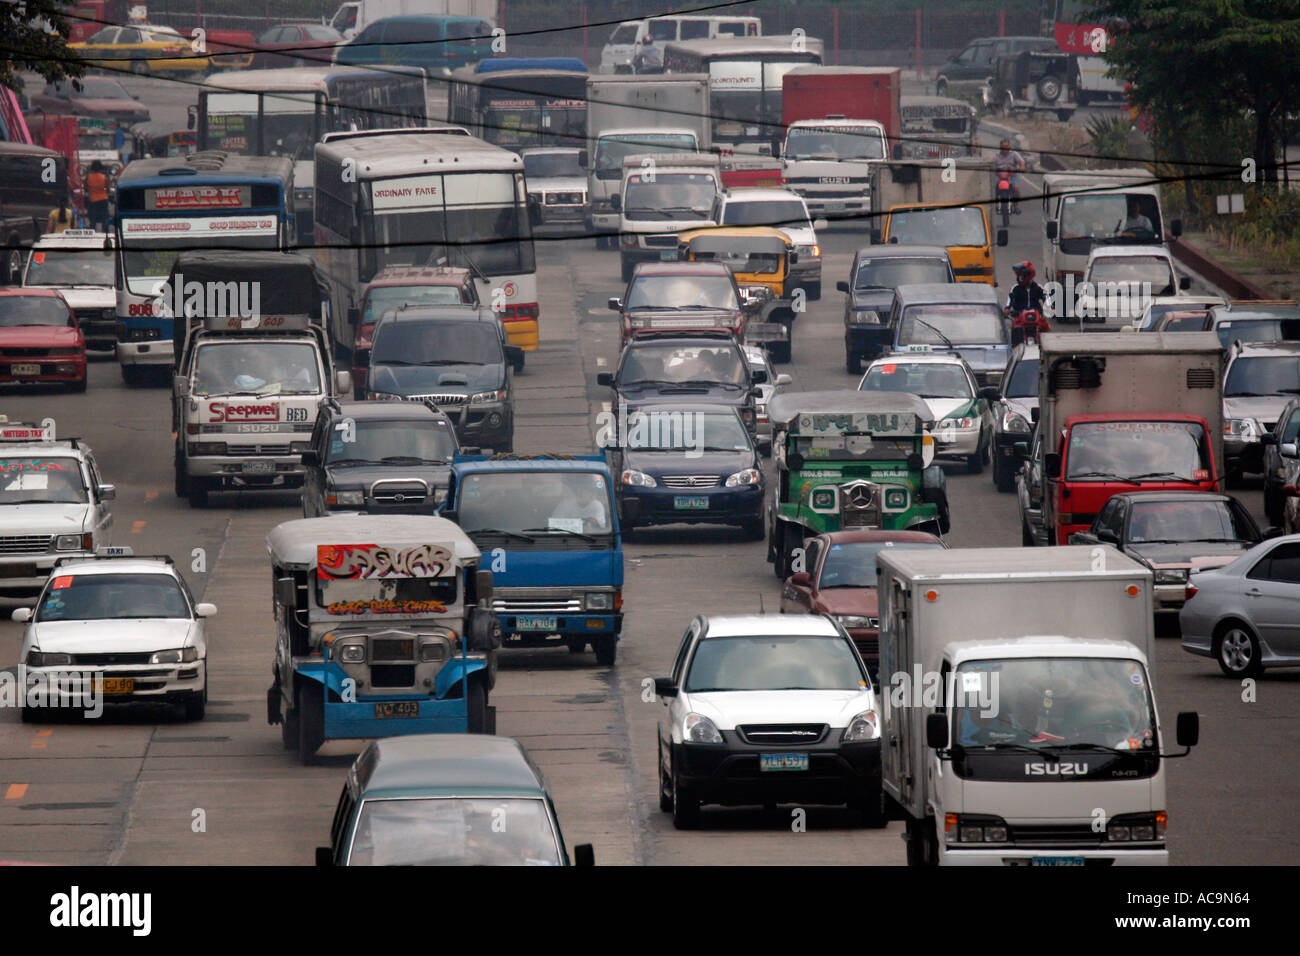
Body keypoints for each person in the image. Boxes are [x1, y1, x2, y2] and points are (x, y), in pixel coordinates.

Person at [84, 161, 110, 233]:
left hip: (93, 200)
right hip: (103, 200)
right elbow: (107, 189)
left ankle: (93, 233)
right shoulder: (104, 177)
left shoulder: (88, 177)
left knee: (93, 220)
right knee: (104, 218)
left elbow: (85, 188)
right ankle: (105, 232)